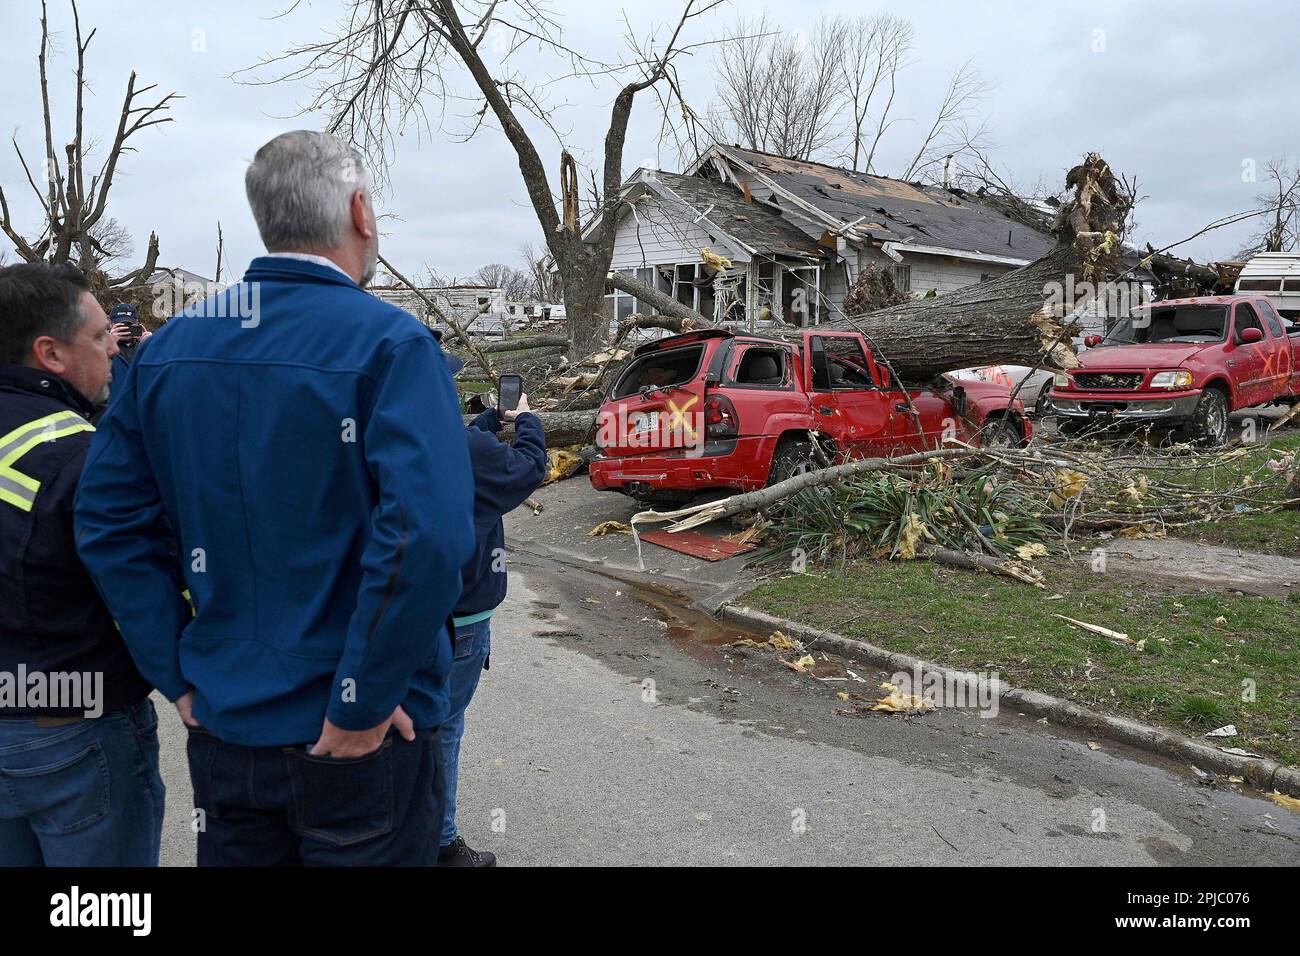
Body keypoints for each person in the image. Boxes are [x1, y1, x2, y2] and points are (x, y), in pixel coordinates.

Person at [74, 130, 476, 866]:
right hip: (364, 738)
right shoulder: (393, 345)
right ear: (360, 213)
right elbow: (428, 536)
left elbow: (108, 524)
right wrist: (358, 702)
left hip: (230, 728)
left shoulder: (165, 354)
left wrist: (177, 672)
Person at [0, 262, 163, 866]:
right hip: (71, 726)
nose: (112, 351)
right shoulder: (84, 456)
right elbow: (144, 585)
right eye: (99, 338)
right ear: (51, 353)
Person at [437, 351, 548, 867]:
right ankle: (440, 843)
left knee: (406, 725)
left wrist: (486, 423)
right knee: (443, 728)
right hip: (460, 621)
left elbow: (468, 448)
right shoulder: (468, 450)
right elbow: (527, 469)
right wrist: (527, 420)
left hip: (400, 614)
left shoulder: (389, 438)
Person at [106, 302, 151, 389]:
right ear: (111, 324)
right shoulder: (100, 345)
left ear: (137, 323)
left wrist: (154, 346)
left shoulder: (145, 344)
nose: (126, 329)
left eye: (129, 325)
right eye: (121, 325)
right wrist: (108, 345)